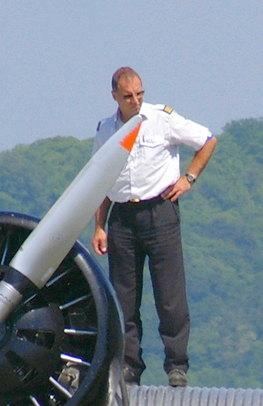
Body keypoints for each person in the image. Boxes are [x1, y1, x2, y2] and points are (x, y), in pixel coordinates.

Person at [91, 67, 216, 387]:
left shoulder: (162, 118)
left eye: (139, 94)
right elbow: (100, 180)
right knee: (123, 298)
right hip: (123, 217)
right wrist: (99, 226)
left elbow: (206, 140)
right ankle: (129, 365)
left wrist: (188, 178)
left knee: (170, 295)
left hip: (159, 212)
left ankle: (177, 364)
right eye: (128, 96)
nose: (135, 100)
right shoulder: (106, 129)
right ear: (115, 96)